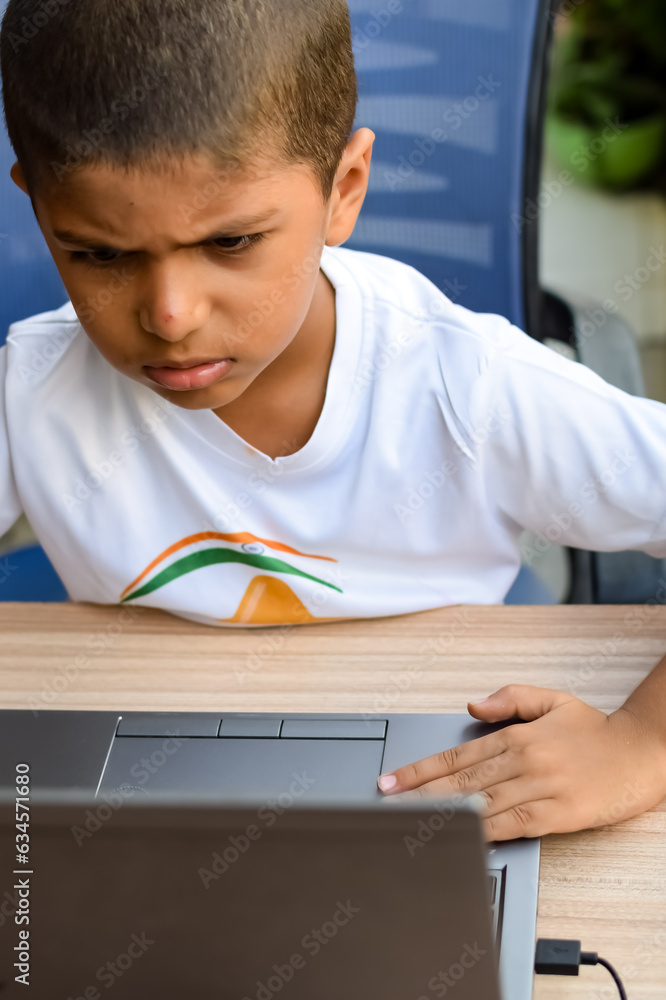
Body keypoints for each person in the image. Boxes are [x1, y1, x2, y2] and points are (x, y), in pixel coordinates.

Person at [1, 0, 665, 841]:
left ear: (343, 191)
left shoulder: (468, 386)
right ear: (38, 210)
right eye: (99, 253)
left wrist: (641, 745)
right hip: (143, 793)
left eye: (233, 242)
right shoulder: (32, 389)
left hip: (434, 780)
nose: (169, 315)